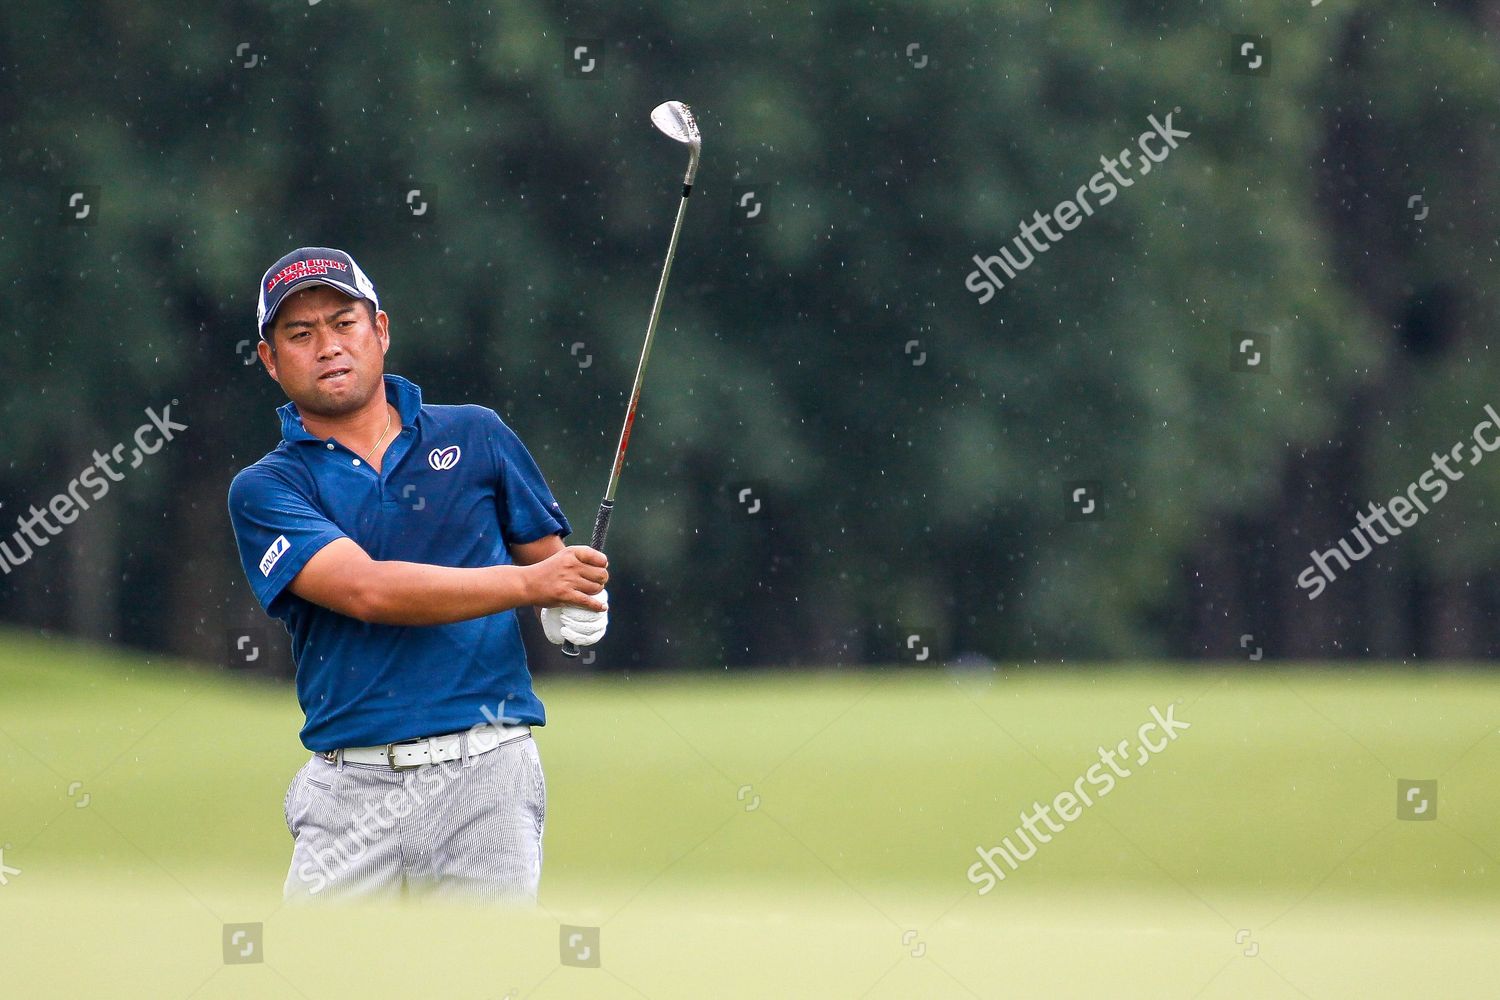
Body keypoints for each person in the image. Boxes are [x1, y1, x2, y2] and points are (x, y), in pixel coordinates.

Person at [227, 246, 608, 903]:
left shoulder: (478, 436)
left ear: (380, 329)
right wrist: (535, 588)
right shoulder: (267, 488)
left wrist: (579, 609)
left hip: (487, 775)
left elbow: (556, 572)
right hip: (350, 789)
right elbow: (366, 590)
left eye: (343, 323)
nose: (327, 346)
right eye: (299, 333)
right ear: (269, 360)